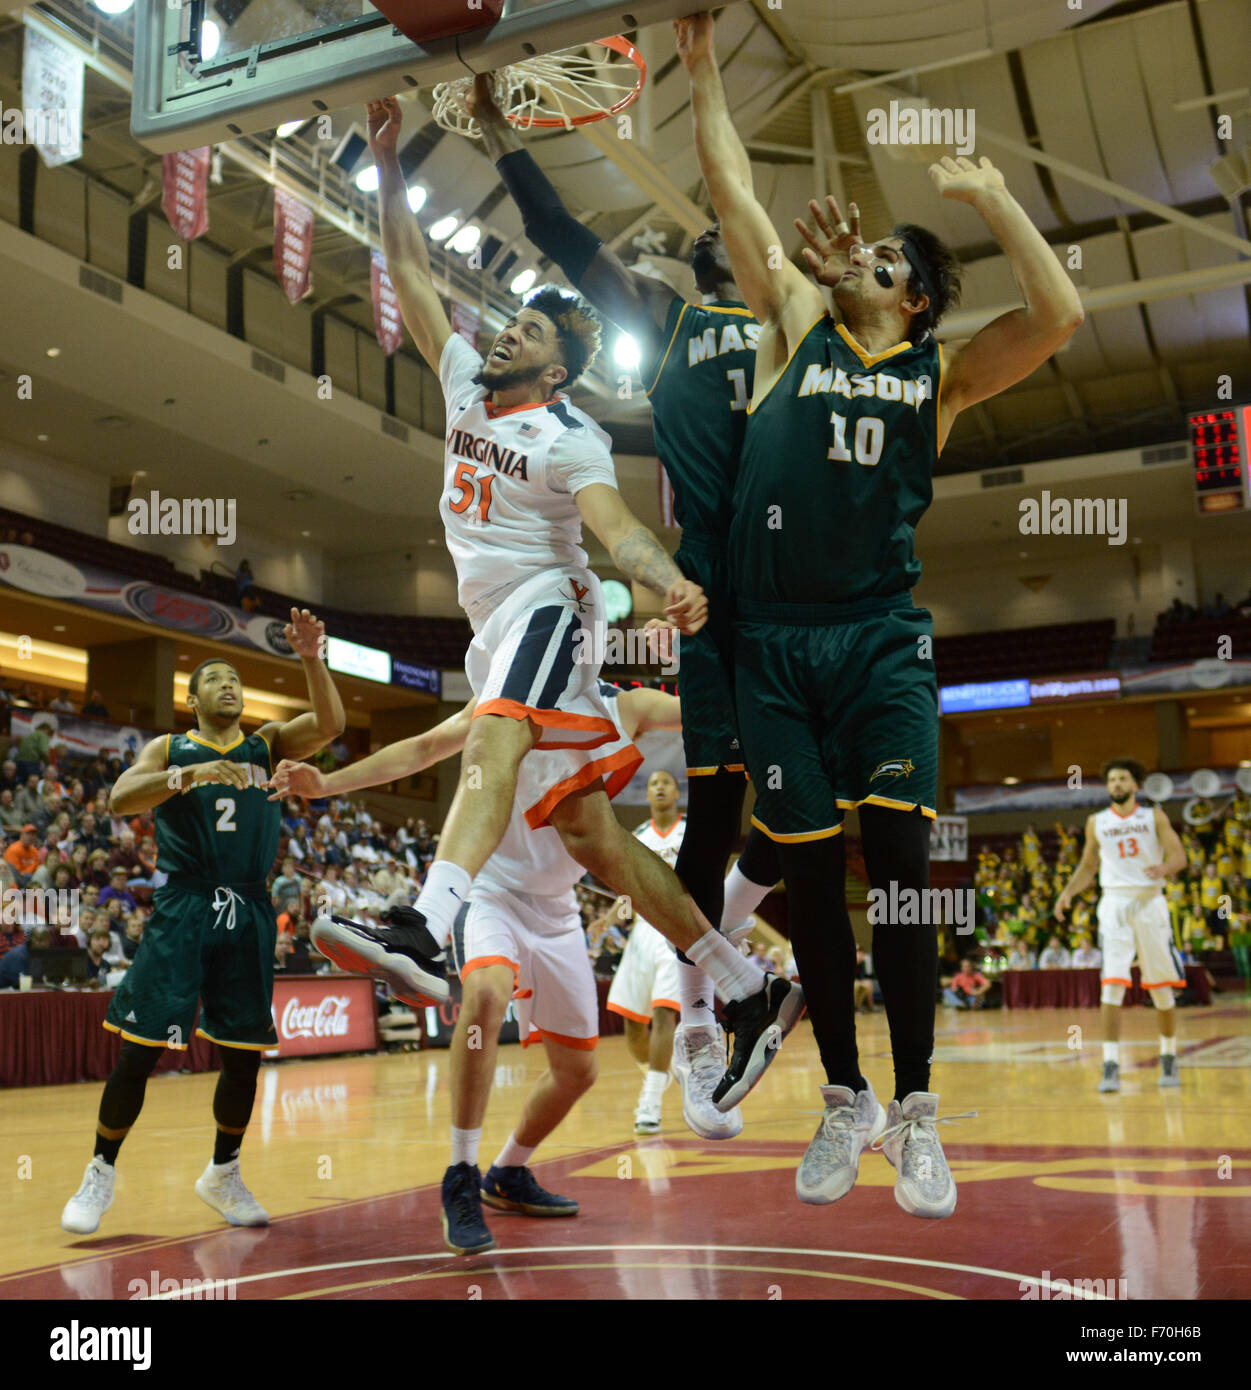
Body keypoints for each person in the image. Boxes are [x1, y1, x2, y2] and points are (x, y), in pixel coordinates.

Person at [312, 93, 803, 1111]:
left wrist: (665, 582)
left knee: (496, 730)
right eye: (509, 322)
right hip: (497, 626)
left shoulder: (571, 437)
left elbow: (614, 529)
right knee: (591, 837)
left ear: (562, 369)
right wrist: (391, 166)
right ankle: (746, 984)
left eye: (529, 329)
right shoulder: (463, 382)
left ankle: (424, 922)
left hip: (551, 607)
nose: (505, 333)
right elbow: (407, 268)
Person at [676, 10, 1082, 1217]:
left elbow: (1059, 317)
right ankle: (844, 1097)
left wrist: (993, 197)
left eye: (893, 260)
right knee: (810, 881)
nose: (868, 258)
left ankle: (915, 1108)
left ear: (916, 303)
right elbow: (733, 192)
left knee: (900, 869)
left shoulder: (935, 376)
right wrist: (700, 66)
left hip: (880, 643)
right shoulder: (794, 323)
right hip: (773, 646)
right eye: (872, 251)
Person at [467, 73, 784, 1115]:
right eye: (707, 230)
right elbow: (559, 235)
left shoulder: (798, 322)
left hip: (800, 586)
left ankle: (791, 1029)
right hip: (713, 580)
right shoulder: (667, 313)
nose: (713, 231)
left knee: (799, 813)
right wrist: (501, 134)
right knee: (713, 811)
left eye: (731, 224)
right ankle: (699, 1022)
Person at [273, 680, 706, 1254]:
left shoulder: (624, 704)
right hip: (491, 892)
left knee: (578, 1072)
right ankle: (461, 1172)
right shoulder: (503, 694)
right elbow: (424, 747)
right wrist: (328, 783)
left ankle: (508, 1171)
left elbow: (705, 710)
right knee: (484, 995)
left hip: (560, 909)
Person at [59, 611, 346, 1236]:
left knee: (243, 1056)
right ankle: (100, 1172)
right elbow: (118, 799)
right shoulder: (170, 748)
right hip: (185, 908)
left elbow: (329, 726)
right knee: (140, 1050)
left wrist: (311, 659)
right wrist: (187, 775)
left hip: (249, 909)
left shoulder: (266, 744)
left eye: (234, 679)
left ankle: (224, 1170)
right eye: (214, 679)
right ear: (192, 701)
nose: (228, 685)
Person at [1055, 759, 1187, 1092]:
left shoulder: (1153, 816)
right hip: (1114, 904)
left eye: (1123, 778)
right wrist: (1067, 893)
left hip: (1150, 903)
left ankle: (1168, 1055)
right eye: (1112, 779)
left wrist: (1164, 868)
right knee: (1112, 985)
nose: (1116, 784)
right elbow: (1088, 866)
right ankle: (1110, 1064)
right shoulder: (1096, 822)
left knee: (1160, 989)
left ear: (1135, 785)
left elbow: (1179, 856)